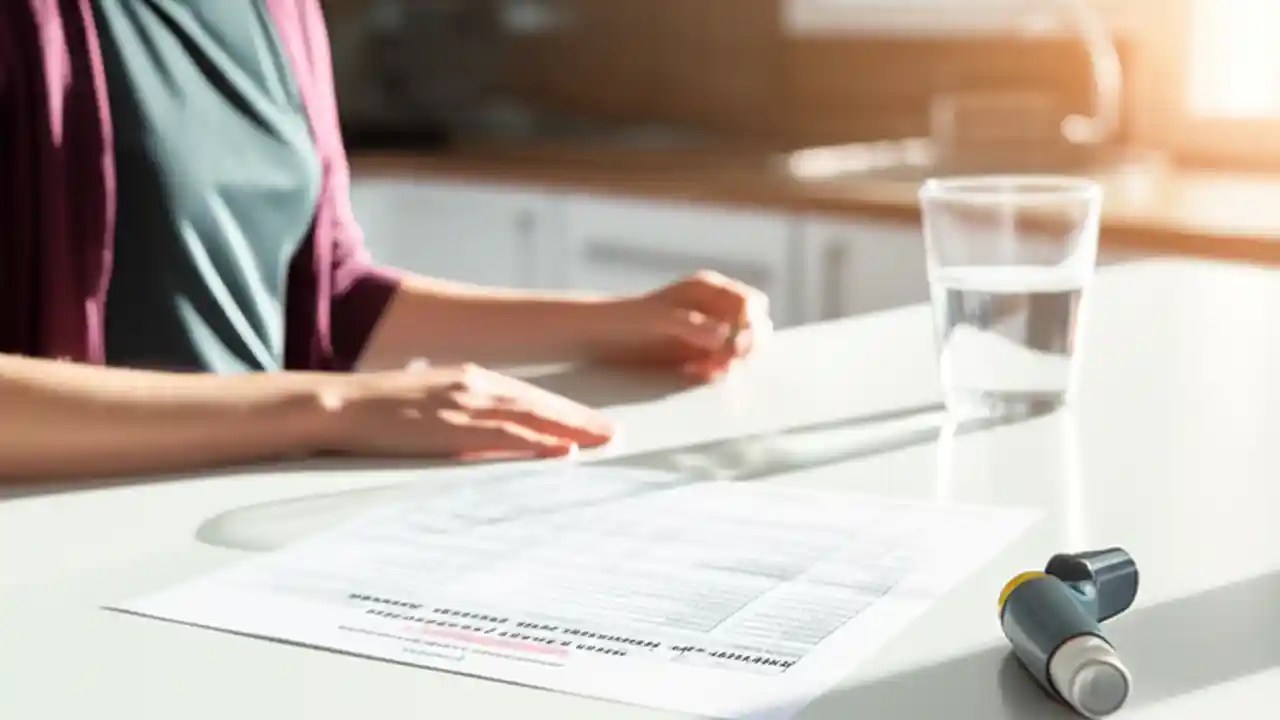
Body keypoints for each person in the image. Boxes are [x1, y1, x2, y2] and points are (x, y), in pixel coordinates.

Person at [0, 1, 770, 480]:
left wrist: (613, 321)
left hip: (217, 515)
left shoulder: (277, 12)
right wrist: (327, 410)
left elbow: (330, 293)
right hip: (56, 549)